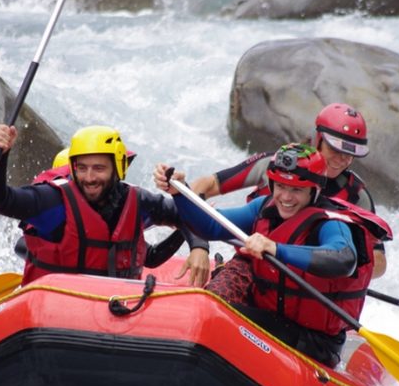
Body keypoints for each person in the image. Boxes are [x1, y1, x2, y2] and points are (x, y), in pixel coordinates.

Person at [156, 143, 392, 368]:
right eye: (280, 186)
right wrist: (180, 193)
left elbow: (343, 259)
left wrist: (277, 249)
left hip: (314, 341)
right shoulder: (264, 207)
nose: (286, 197)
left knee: (216, 318)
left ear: (314, 190)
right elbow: (210, 226)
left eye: (296, 189)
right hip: (273, 317)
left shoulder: (331, 222)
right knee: (211, 309)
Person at [152, 103, 387, 297]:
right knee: (217, 300)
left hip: (310, 280)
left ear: (314, 191)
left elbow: (366, 261)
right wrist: (198, 244)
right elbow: (207, 206)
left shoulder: (350, 203)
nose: (342, 159)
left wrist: (307, 259)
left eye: (350, 154)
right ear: (318, 140)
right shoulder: (274, 168)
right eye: (335, 149)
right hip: (253, 264)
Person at [0, 123, 210, 286]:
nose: (89, 177)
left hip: (117, 313)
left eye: (99, 168)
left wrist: (199, 246)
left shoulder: (136, 201)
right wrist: (0, 156)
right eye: (82, 168)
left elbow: (187, 213)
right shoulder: (53, 200)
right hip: (55, 315)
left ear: (117, 169)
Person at [15, 146, 206, 271]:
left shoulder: (123, 206)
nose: (90, 181)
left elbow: (151, 257)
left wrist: (191, 236)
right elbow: (23, 245)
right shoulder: (54, 213)